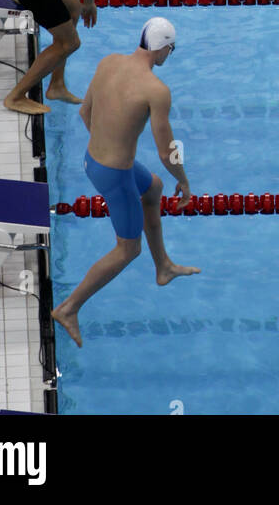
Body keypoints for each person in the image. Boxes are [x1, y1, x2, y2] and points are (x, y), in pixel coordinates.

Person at [52, 19, 200, 349]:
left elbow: (84, 114)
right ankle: (68, 308)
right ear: (163, 47)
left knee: (153, 188)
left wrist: (107, 147)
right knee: (128, 249)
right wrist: (185, 182)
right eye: (170, 50)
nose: (168, 55)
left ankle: (163, 267)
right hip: (115, 175)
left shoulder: (109, 62)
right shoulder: (156, 91)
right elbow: (166, 152)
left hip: (93, 161)